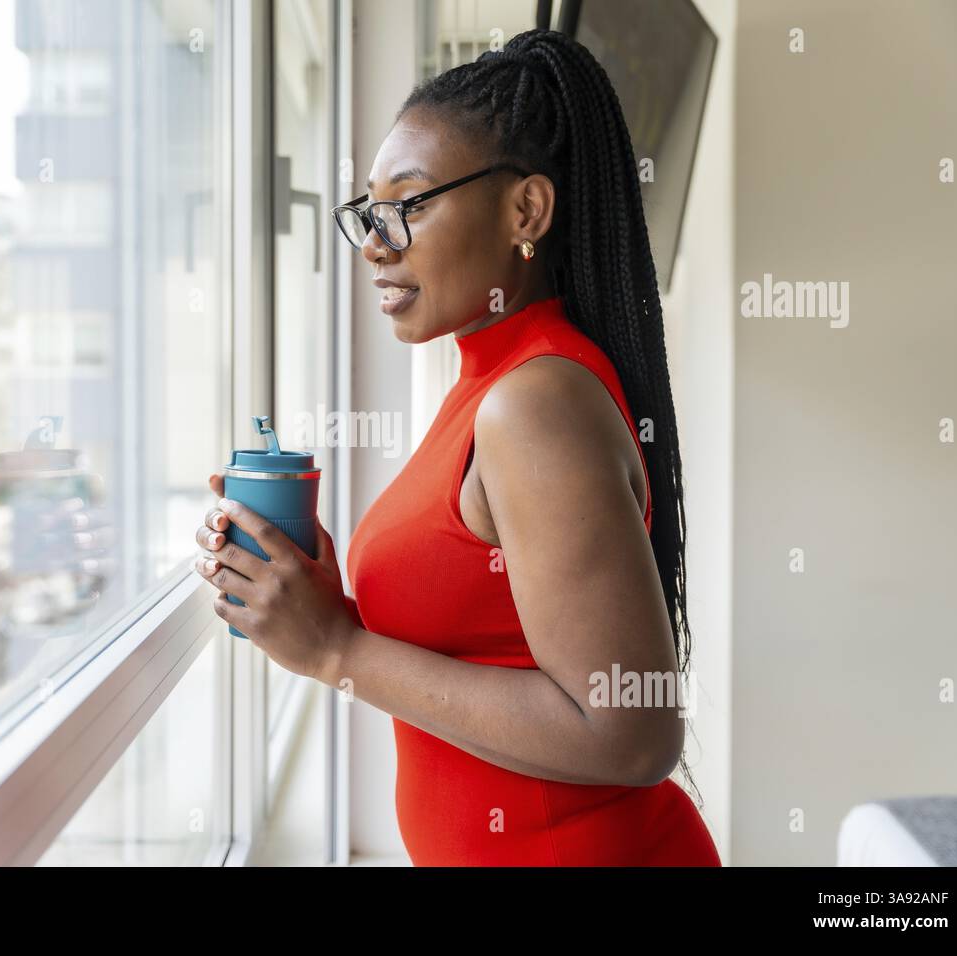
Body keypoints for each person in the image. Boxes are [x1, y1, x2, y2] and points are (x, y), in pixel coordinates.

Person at [194, 28, 720, 866]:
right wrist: (324, 604)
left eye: (410, 202)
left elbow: (631, 733)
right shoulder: (490, 383)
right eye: (369, 210)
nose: (375, 241)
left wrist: (337, 649)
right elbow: (485, 635)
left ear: (526, 211)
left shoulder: (533, 402)